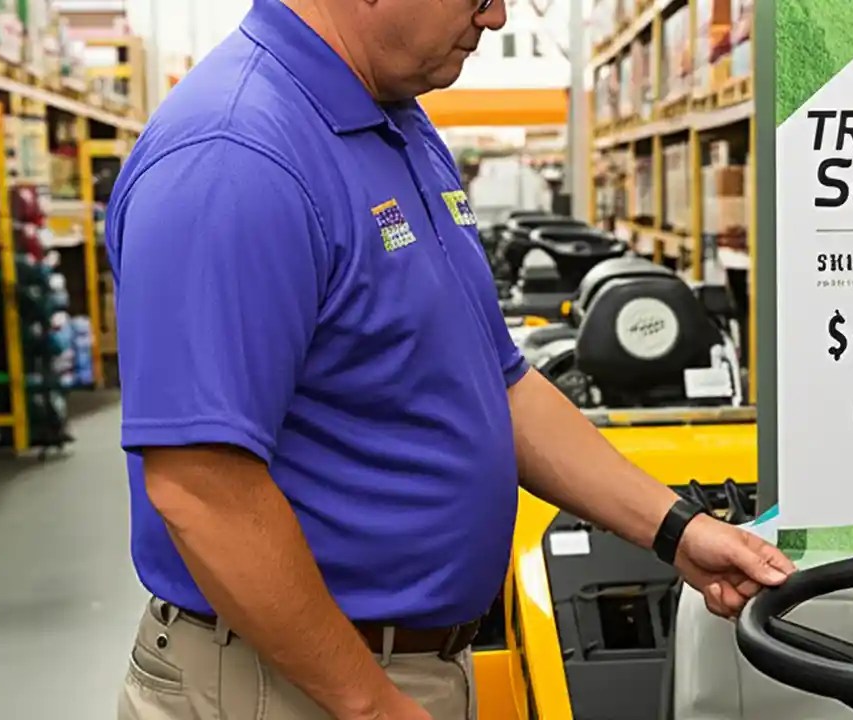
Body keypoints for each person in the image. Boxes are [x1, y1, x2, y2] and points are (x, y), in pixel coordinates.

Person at [107, 1, 796, 719]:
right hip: (286, 686)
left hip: (395, 671)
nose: (496, 17)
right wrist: (372, 704)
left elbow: (498, 383)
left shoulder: (396, 123)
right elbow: (202, 487)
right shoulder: (234, 156)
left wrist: (677, 529)